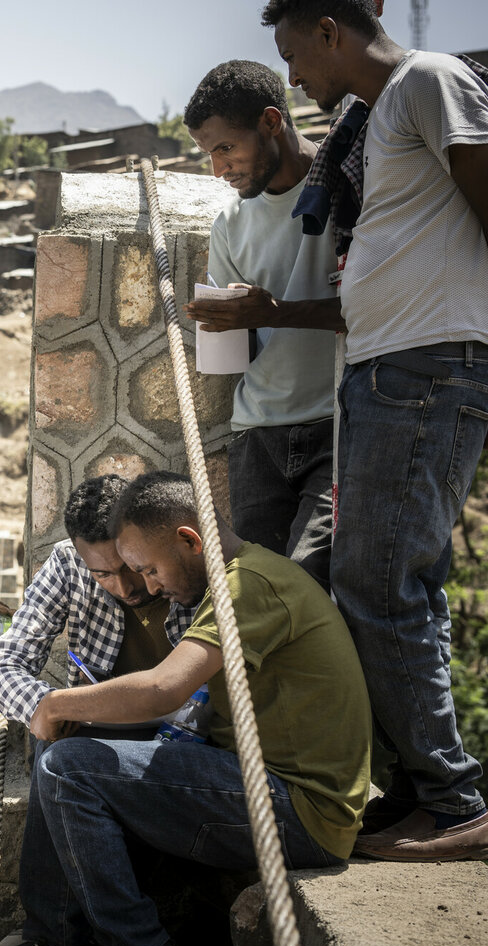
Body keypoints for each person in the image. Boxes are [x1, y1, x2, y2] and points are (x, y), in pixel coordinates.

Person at [262, 0, 488, 858]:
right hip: (389, 371)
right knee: (389, 586)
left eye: (295, 55)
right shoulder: (378, 112)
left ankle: (456, 802)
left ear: (330, 29)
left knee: (381, 586)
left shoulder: (428, 82)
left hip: (431, 370)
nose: (293, 77)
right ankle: (418, 787)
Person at [26, 471, 371, 946]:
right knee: (66, 753)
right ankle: (57, 940)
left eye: (148, 569)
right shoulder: (245, 573)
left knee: (67, 769)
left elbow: (164, 688)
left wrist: (55, 703)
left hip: (300, 810)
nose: (147, 586)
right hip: (273, 792)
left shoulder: (248, 586)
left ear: (189, 540)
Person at [0, 475, 196, 946]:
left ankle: (111, 940)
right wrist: (43, 705)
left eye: (128, 567)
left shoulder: (188, 573)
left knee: (65, 762)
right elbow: (3, 666)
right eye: (101, 575)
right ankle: (54, 937)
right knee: (54, 744)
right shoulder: (65, 563)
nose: (124, 587)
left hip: (180, 739)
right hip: (97, 735)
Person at [182, 60, 344, 589]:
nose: (217, 169)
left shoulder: (349, 194)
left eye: (226, 148)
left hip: (338, 426)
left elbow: (381, 310)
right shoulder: (230, 223)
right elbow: (233, 356)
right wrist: (222, 326)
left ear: (272, 122)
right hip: (257, 437)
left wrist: (273, 312)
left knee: (306, 587)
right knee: (257, 593)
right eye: (209, 154)